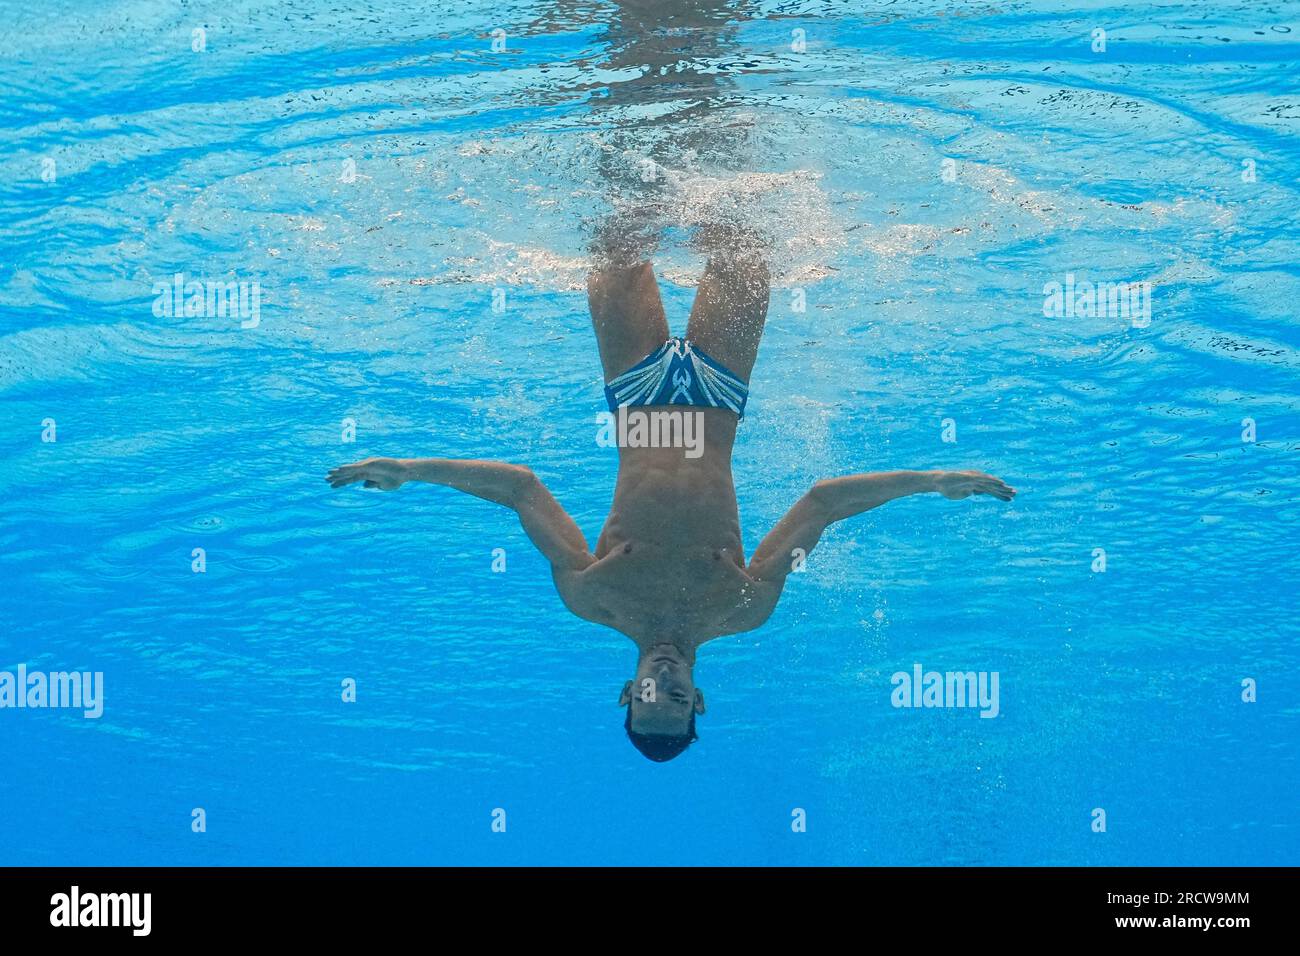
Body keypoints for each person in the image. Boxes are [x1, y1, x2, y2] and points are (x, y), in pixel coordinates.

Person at [327, 246, 1015, 761]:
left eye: (649, 695)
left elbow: (520, 488)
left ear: (627, 695)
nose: (662, 678)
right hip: (718, 392)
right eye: (677, 697)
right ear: (699, 699)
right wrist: (932, 480)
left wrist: (408, 469)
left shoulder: (593, 598)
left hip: (635, 388)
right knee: (741, 229)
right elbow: (823, 503)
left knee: (620, 218)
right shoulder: (745, 607)